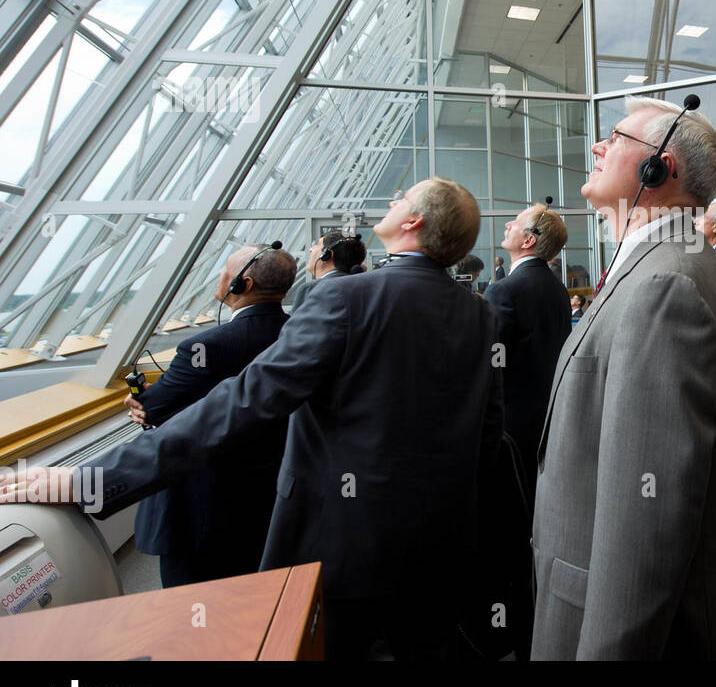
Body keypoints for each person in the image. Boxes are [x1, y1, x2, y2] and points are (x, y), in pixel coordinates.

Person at [6, 178, 503, 661]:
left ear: (412, 222)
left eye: (402, 199)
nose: (392, 201)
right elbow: (487, 430)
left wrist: (91, 481)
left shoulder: (345, 298)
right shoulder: (479, 314)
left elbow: (240, 403)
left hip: (343, 545)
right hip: (442, 539)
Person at [531, 96, 716, 660]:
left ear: (661, 168)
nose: (597, 147)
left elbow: (645, 522)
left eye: (615, 138)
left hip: (613, 627)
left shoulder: (668, 283)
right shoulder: (655, 265)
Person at [124, 243, 295, 587]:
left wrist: (143, 402)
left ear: (241, 285)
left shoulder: (204, 347)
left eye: (225, 271)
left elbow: (154, 409)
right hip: (275, 493)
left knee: (194, 602)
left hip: (204, 506)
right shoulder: (299, 335)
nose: (219, 276)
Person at [483, 203, 572, 487]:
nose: (507, 225)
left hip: (511, 422)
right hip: (549, 416)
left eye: (514, 223)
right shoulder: (557, 288)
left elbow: (489, 361)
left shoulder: (504, 290)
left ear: (528, 240)